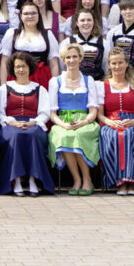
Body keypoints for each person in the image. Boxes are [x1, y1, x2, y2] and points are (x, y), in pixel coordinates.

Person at [0, 52, 53, 197]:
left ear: (29, 68)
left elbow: (45, 113)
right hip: (10, 124)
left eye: (24, 66)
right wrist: (11, 122)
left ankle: (33, 179)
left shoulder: (39, 89)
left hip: (33, 124)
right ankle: (17, 180)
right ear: (13, 69)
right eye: (17, 67)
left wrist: (33, 122)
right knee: (16, 135)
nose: (21, 70)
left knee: (32, 135)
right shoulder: (4, 88)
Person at [97, 48, 134, 196]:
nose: (117, 66)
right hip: (111, 123)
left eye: (120, 62)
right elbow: (100, 115)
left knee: (133, 134)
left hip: (132, 122)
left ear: (127, 63)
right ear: (109, 65)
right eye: (113, 63)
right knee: (113, 136)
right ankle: (120, 181)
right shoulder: (103, 86)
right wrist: (111, 123)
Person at [47, 43, 100, 194]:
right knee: (65, 135)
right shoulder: (55, 81)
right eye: (68, 57)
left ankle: (87, 179)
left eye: (74, 57)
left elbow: (93, 110)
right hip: (63, 120)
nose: (71, 60)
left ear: (81, 58)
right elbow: (52, 113)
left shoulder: (88, 80)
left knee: (79, 134)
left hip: (85, 119)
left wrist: (84, 122)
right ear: (63, 60)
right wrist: (63, 124)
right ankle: (77, 179)